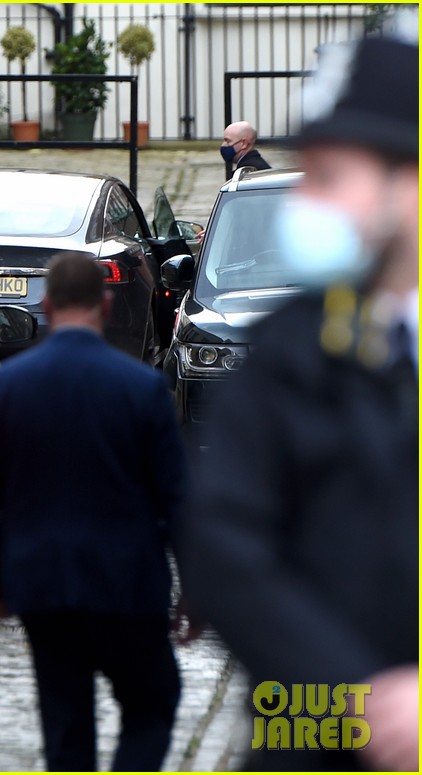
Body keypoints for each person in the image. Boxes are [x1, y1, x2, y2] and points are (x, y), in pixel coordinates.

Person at [180, 28, 418, 772]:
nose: (307, 202)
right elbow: (225, 546)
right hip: (314, 738)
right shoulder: (292, 347)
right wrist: (358, 695)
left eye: (331, 175)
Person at [0, 254, 187, 771]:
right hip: (127, 583)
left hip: (42, 583)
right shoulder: (142, 387)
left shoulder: (2, 388)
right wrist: (194, 586)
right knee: (152, 704)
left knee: (66, 726)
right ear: (106, 306)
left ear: (45, 304)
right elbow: (176, 496)